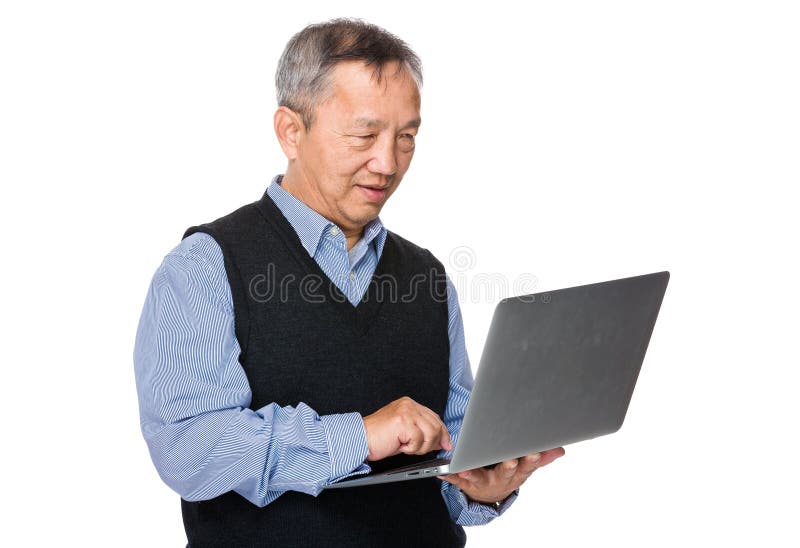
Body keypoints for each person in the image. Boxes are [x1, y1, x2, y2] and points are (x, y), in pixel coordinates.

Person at [134, 18, 564, 548]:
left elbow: (451, 451)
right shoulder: (206, 265)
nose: (387, 163)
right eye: (364, 135)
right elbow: (188, 447)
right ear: (291, 131)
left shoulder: (427, 276)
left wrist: (482, 487)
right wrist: (359, 436)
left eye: (406, 137)